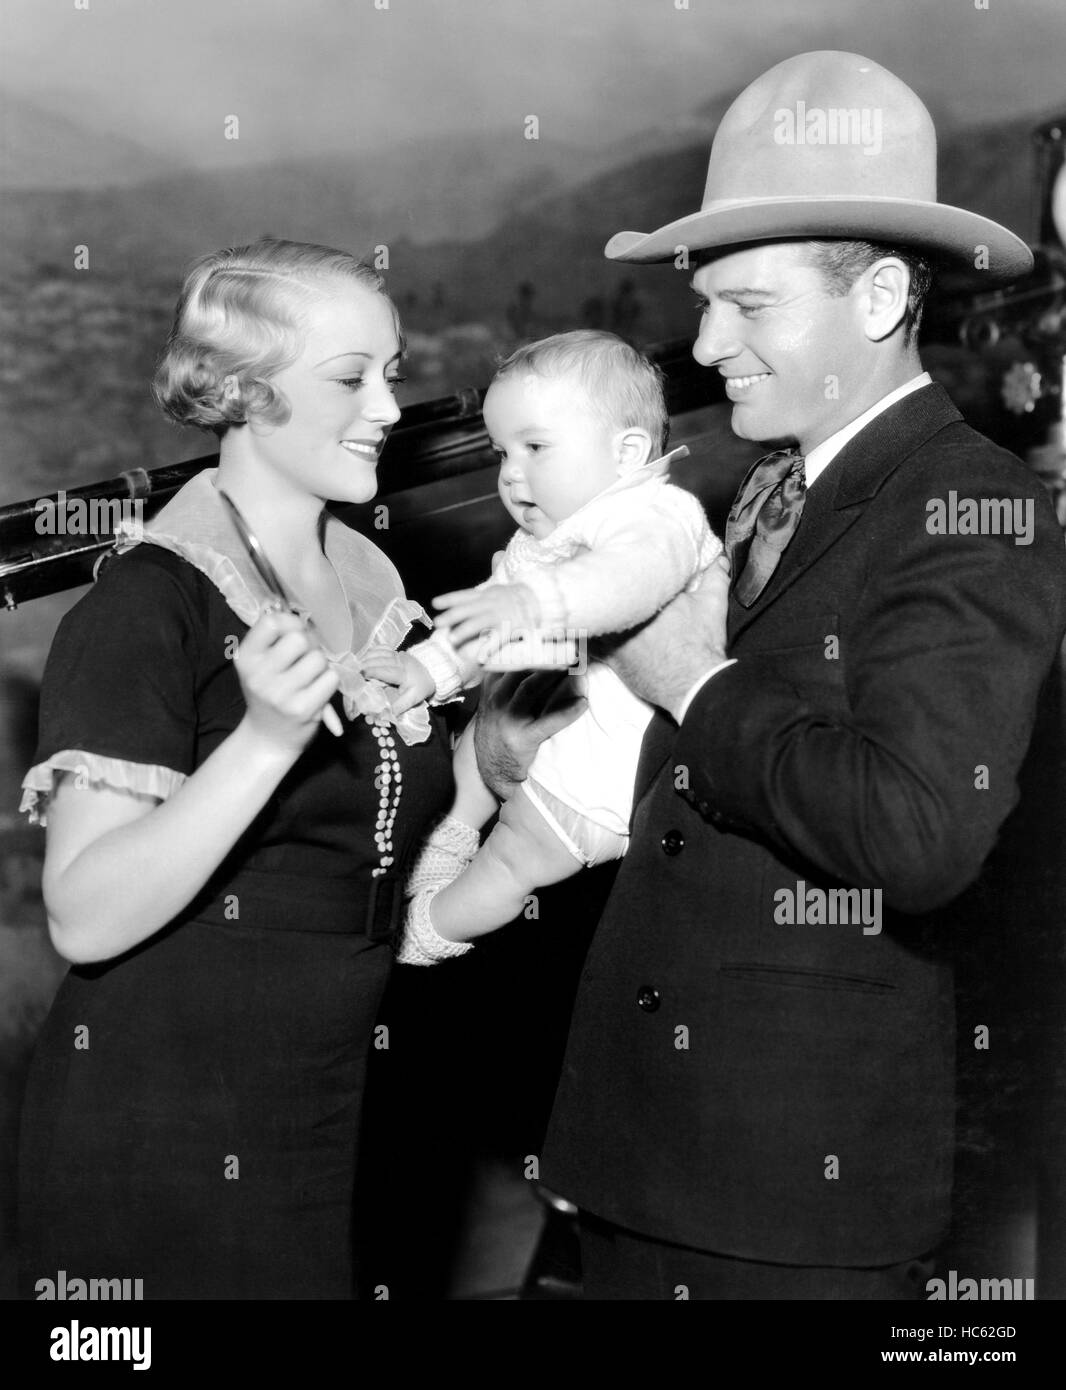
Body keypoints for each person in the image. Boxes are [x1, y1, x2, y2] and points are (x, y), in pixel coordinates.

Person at [474, 52, 1066, 1299]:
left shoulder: (970, 503)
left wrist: (691, 681)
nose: (702, 340)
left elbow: (914, 831)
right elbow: (719, 786)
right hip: (638, 1154)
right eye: (706, 304)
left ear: (881, 297)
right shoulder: (764, 490)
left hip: (790, 1208)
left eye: (748, 305)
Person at [16, 238, 456, 1299]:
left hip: (333, 1102)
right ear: (247, 395)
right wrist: (263, 742)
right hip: (165, 1124)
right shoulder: (145, 607)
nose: (391, 408)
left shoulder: (378, 580)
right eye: (350, 379)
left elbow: (380, 835)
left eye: (391, 371)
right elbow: (83, 915)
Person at [361, 330, 722, 962]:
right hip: (552, 722)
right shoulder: (548, 534)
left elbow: (633, 582)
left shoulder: (656, 514)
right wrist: (426, 669)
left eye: (535, 448)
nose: (510, 475)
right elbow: (486, 622)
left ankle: (430, 930)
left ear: (628, 454)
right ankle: (444, 841)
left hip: (605, 772)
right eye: (502, 453)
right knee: (468, 754)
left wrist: (536, 603)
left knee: (512, 861)